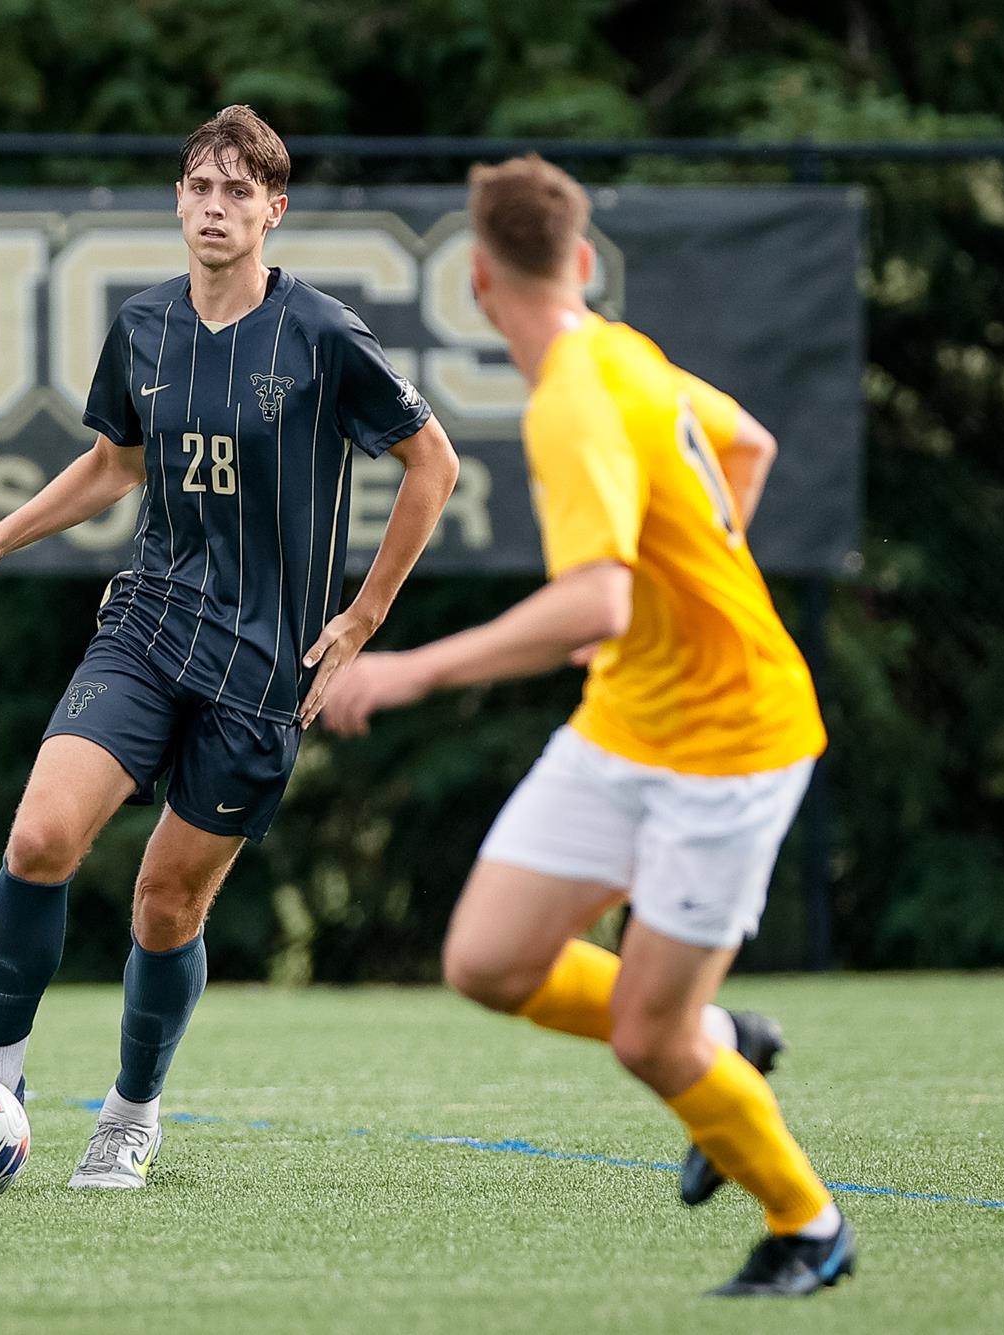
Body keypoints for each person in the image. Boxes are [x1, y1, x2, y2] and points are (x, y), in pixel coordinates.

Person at [0, 105, 459, 1190]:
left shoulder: (320, 334)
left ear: (274, 211)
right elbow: (112, 467)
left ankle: (130, 1116)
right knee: (41, 837)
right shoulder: (142, 325)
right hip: (146, 628)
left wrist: (363, 615)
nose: (215, 208)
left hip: (262, 668)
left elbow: (434, 467)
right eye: (199, 187)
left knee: (164, 906)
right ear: (177, 202)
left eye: (239, 192)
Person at [318, 154, 854, 1297]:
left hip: (731, 744)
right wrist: (675, 601)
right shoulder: (625, 351)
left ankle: (807, 1226)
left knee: (647, 1042)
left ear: (475, 282)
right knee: (487, 960)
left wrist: (408, 670)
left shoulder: (573, 394)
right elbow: (748, 445)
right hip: (624, 723)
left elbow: (597, 599)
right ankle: (722, 1043)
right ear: (579, 261)